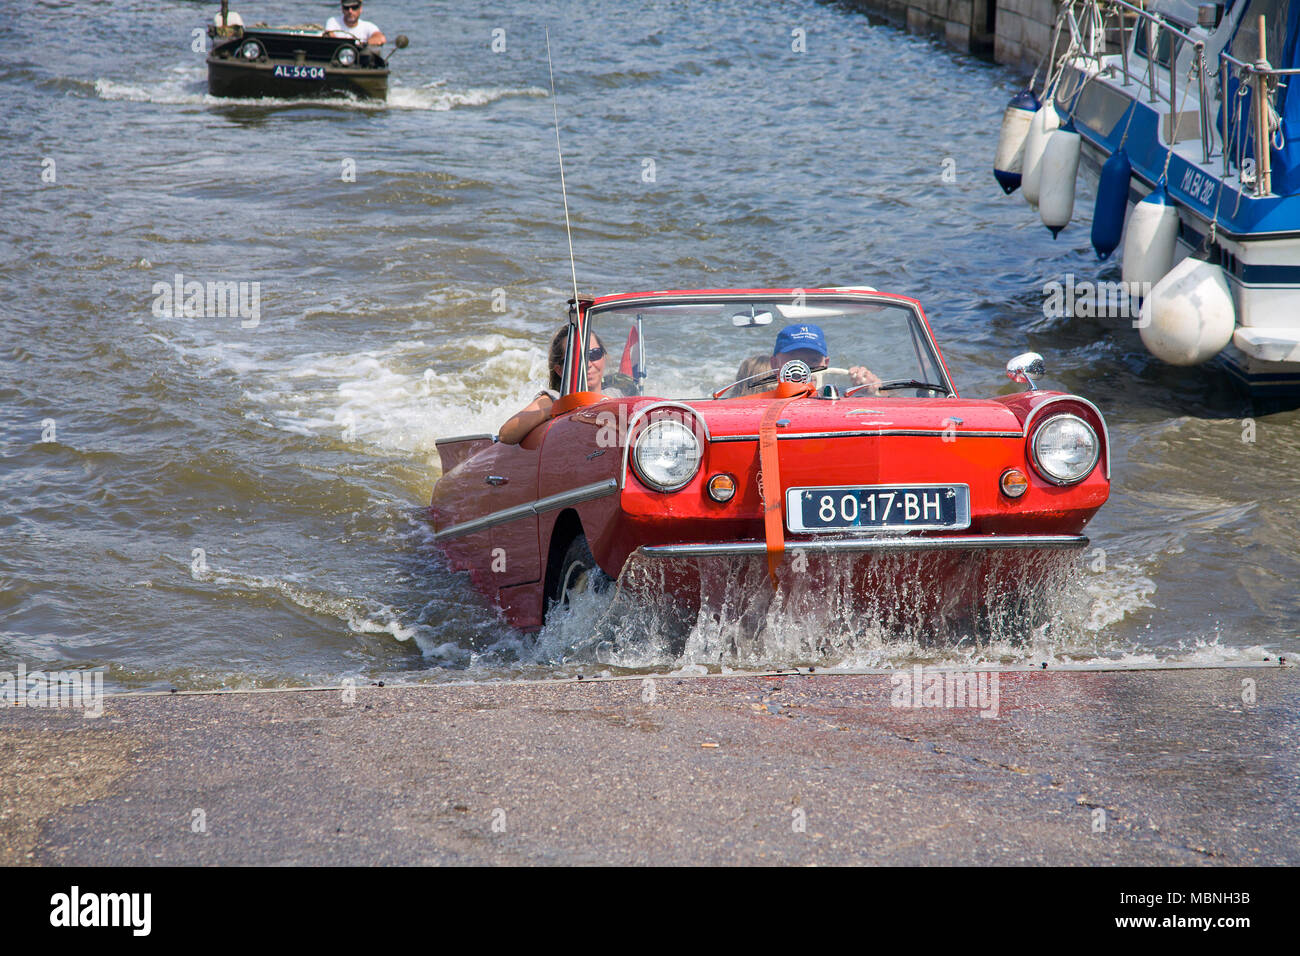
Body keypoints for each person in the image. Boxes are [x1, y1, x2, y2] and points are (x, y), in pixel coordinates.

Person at [499, 329, 608, 444]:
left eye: (594, 354)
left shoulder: (617, 393)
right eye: (577, 359)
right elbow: (506, 434)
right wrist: (559, 409)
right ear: (560, 370)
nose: (588, 364)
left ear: (604, 356)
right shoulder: (555, 399)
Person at [770, 323, 879, 392]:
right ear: (775, 364)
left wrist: (870, 388)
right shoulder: (758, 398)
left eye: (814, 360)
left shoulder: (842, 394)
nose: (805, 369)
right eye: (795, 361)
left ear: (825, 364)